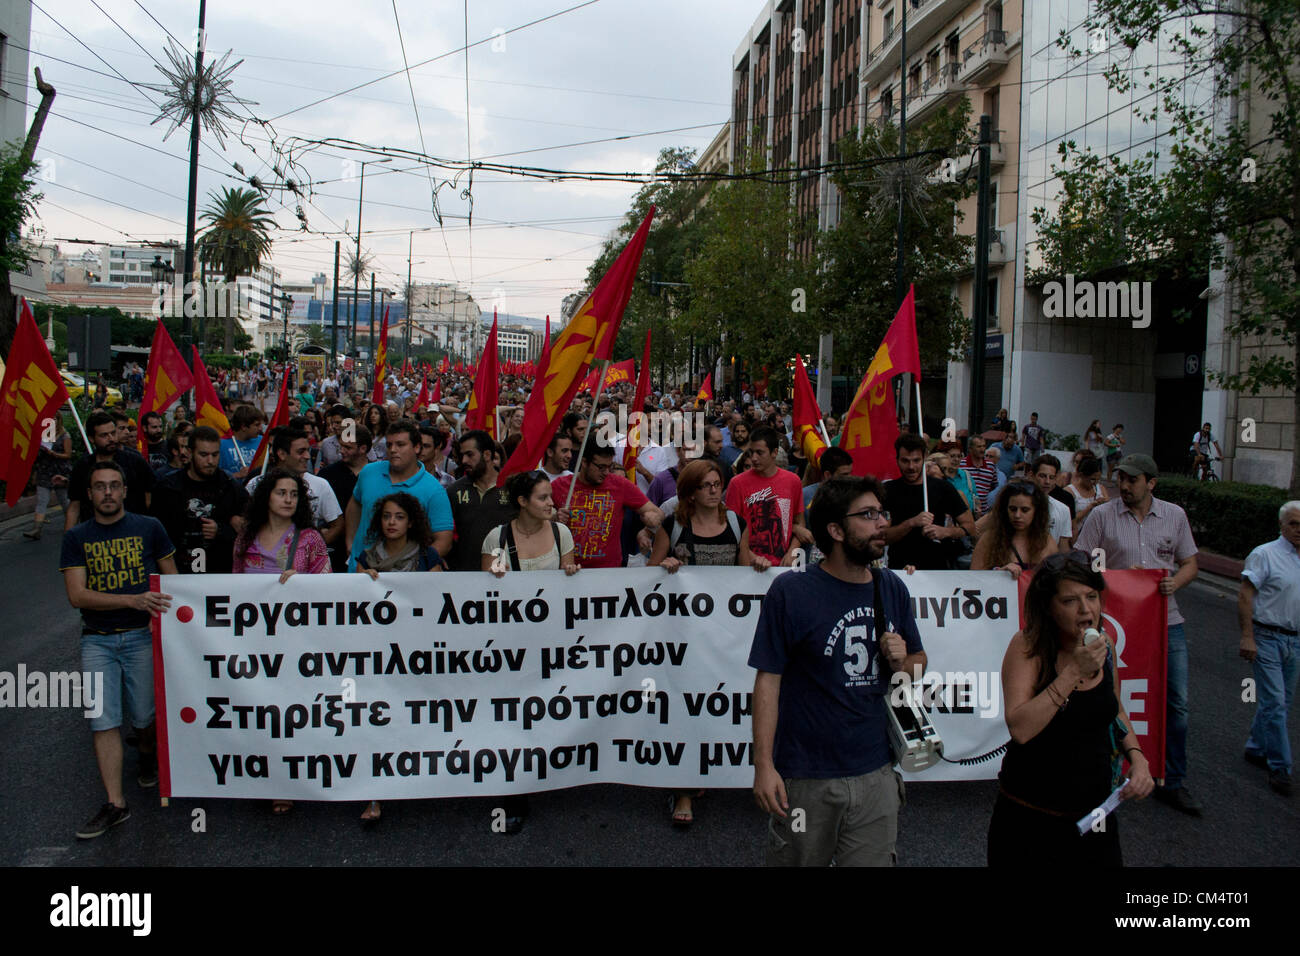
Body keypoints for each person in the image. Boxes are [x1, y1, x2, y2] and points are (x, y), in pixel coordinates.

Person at [750, 476, 925, 866]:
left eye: (882, 513)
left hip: (877, 773)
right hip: (805, 777)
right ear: (835, 530)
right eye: (867, 515)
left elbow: (918, 665)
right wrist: (764, 765)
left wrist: (902, 663)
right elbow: (768, 680)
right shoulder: (791, 593)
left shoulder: (891, 587)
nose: (882, 523)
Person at [987, 552, 1154, 866]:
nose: (1086, 610)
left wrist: (1138, 756)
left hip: (1094, 816)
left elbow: (1115, 709)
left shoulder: (1103, 647)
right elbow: (1020, 728)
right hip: (1030, 819)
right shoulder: (1027, 647)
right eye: (1069, 601)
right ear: (1048, 607)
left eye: (1092, 597)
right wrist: (1072, 673)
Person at [1074, 454, 1200, 815]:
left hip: (1166, 622)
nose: (1124, 486)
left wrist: (1175, 581)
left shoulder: (1174, 516)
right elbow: (1082, 559)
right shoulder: (1102, 516)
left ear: (1151, 483)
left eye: (1132, 480)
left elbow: (1190, 561)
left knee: (1176, 701)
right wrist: (1118, 577)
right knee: (1109, 694)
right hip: (1114, 623)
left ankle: (1172, 780)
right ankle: (1106, 771)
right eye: (1121, 479)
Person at [60, 460, 177, 838]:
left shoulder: (150, 527)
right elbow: (77, 596)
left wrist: (163, 614)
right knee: (103, 719)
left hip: (142, 639)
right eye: (100, 487)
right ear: (90, 493)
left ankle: (146, 754)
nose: (107, 493)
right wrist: (133, 600)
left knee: (145, 716)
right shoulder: (76, 537)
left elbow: (172, 579)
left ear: (125, 491)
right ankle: (115, 803)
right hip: (97, 640)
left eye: (114, 486)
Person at [234, 468, 331, 814]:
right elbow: (233, 589)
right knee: (262, 709)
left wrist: (303, 583)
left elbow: (328, 588)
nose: (288, 499)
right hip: (256, 641)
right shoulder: (245, 538)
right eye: (281, 493)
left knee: (291, 711)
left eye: (294, 494)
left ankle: (289, 781)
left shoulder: (310, 539)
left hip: (296, 643)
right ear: (266, 497)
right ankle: (267, 775)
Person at [1238, 501, 1300, 797]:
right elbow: (1245, 595)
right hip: (1267, 637)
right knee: (1275, 702)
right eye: (1293, 524)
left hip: (1295, 640)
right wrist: (1247, 636)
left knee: (1282, 702)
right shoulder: (1265, 554)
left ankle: (1257, 746)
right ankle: (1280, 767)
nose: (1299, 530)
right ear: (1281, 525)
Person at [346, 420, 453, 571]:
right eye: (389, 445)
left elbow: (444, 539)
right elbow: (355, 503)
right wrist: (350, 543)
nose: (393, 450)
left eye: (400, 445)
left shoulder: (434, 490)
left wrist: (421, 565)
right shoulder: (368, 472)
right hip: (360, 573)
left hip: (407, 583)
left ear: (416, 447)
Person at [149, 426, 248, 575]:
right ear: (189, 453)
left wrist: (221, 530)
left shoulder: (230, 486)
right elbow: (155, 534)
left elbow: (250, 530)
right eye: (203, 454)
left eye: (215, 455)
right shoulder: (168, 488)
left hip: (220, 573)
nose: (210, 461)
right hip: (177, 572)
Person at [552, 440, 664, 569]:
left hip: (608, 573)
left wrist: (647, 527)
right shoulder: (560, 485)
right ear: (584, 462)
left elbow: (658, 513)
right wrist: (554, 519)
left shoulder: (620, 484)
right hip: (568, 572)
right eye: (601, 467)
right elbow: (532, 522)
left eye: (609, 467)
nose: (606, 472)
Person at [882, 434, 976, 571]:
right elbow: (882, 537)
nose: (911, 467)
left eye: (916, 460)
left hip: (936, 571)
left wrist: (945, 532)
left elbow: (970, 527)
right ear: (896, 459)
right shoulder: (888, 490)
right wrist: (910, 523)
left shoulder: (943, 488)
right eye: (905, 461)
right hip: (899, 569)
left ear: (924, 458)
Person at [246, 427, 343, 554]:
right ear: (282, 454)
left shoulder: (321, 485)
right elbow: (244, 523)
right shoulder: (255, 484)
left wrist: (312, 548)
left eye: (307, 451)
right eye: (301, 451)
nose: (308, 456)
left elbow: (337, 524)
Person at [723, 427, 809, 566]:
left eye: (760, 453)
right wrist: (752, 557)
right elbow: (731, 529)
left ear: (774, 452)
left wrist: (793, 552)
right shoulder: (737, 483)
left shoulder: (793, 481)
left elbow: (799, 522)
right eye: (751, 452)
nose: (754, 458)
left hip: (783, 566)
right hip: (749, 567)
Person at [65, 412, 155, 531]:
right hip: (95, 536)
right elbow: (74, 507)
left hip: (132, 533)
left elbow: (150, 498)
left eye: (113, 433)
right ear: (92, 438)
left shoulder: (135, 462)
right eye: (104, 435)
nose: (111, 439)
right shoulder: (82, 467)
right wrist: (68, 541)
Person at [445, 430, 515, 572]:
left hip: (505, 572)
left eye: (470, 455)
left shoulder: (513, 488)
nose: (464, 461)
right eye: (462, 455)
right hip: (466, 575)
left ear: (487, 455)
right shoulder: (454, 491)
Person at [971, 480, 1058, 574]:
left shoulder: (1047, 543)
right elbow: (974, 578)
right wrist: (999, 573)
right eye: (1012, 509)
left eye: (1025, 510)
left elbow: (1055, 581)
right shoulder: (990, 539)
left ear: (1037, 511)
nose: (1017, 515)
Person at [319, 425, 372, 573]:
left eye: (348, 447)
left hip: (371, 547)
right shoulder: (327, 475)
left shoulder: (377, 474)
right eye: (341, 446)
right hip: (336, 548)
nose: (342, 451)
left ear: (362, 449)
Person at [23, 415, 74, 540]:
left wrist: (54, 454)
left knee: (64, 500)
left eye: (54, 419)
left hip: (60, 472)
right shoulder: (45, 436)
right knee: (42, 500)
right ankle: (37, 528)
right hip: (45, 471)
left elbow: (68, 455)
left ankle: (72, 525)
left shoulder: (65, 436)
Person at [219, 405, 265, 479]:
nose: (261, 428)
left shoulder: (262, 441)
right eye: (257, 425)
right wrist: (236, 475)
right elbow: (215, 475)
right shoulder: (222, 445)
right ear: (243, 426)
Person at [1067, 454, 1108, 535]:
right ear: (1082, 475)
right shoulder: (1069, 492)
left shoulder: (1100, 488)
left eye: (1098, 479)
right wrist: (1090, 507)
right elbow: (1069, 520)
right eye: (1092, 479)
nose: (1095, 483)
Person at [960, 436, 999, 504]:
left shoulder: (990, 466)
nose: (982, 449)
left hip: (983, 510)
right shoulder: (961, 464)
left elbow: (993, 485)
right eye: (979, 446)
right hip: (965, 509)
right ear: (970, 449)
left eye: (984, 446)